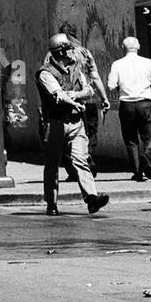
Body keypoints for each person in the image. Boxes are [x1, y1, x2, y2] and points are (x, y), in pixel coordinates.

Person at [37, 33, 109, 217]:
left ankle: (91, 198)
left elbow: (89, 90)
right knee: (52, 165)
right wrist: (73, 101)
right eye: (69, 49)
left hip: (76, 123)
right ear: (60, 52)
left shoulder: (76, 68)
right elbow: (58, 94)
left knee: (80, 159)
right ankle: (51, 203)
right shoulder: (45, 73)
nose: (73, 51)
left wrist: (76, 96)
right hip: (55, 124)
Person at [106, 36, 151, 181]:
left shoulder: (117, 64)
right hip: (146, 104)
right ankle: (146, 155)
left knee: (131, 140)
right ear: (138, 47)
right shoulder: (148, 62)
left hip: (127, 105)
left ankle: (138, 172)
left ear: (122, 47)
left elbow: (111, 86)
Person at [57, 22, 111, 148]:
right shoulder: (84, 52)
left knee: (72, 134)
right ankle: (87, 157)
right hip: (87, 99)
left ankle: (81, 157)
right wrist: (104, 98)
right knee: (90, 132)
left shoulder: (55, 54)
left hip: (67, 101)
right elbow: (95, 76)